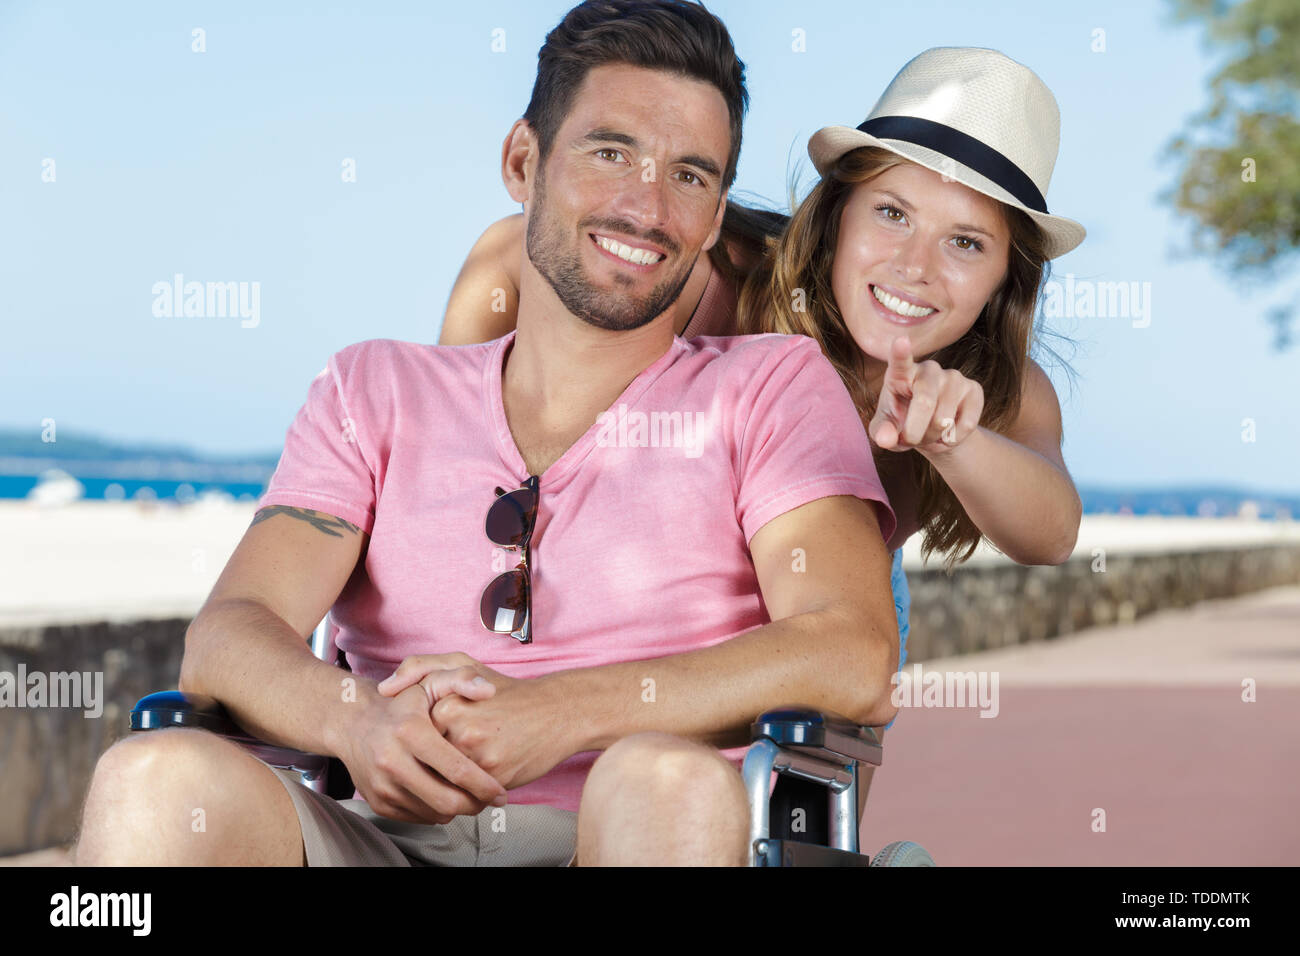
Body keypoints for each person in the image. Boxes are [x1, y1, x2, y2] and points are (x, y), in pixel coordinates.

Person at [73, 0, 900, 868]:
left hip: (627, 832)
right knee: (154, 778)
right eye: (610, 151)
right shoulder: (374, 388)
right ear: (522, 160)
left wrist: (560, 713)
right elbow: (228, 635)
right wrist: (357, 721)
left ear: (716, 209)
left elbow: (851, 652)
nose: (647, 206)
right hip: (388, 837)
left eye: (690, 176)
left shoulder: (771, 388)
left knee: (667, 780)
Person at [440, 45, 1088, 814]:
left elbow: (1049, 531)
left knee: (800, 827)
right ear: (837, 212)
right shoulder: (730, 280)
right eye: (891, 213)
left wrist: (954, 441)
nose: (916, 266)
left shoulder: (996, 385)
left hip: (830, 607)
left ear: (1005, 279)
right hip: (656, 561)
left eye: (966, 243)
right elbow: (509, 263)